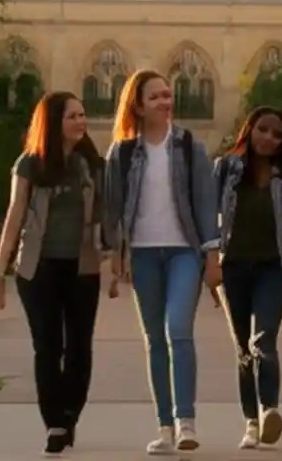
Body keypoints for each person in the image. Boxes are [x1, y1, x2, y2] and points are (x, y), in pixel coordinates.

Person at [104, 69, 221, 454]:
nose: (165, 102)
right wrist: (114, 256)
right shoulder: (122, 153)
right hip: (142, 253)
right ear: (137, 104)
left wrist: (213, 254)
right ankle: (165, 427)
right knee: (155, 340)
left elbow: (206, 203)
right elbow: (113, 209)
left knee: (178, 331)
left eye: (168, 95)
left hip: (183, 251)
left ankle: (187, 422)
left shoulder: (190, 147)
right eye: (155, 97)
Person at [0, 91, 108, 455]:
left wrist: (116, 262)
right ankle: (54, 422)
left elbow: (106, 216)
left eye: (82, 115)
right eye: (72, 116)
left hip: (82, 268)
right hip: (38, 268)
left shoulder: (91, 164)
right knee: (47, 346)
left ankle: (70, 412)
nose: (81, 122)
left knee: (78, 347)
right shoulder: (30, 164)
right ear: (53, 121)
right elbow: (14, 217)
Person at [213, 106, 282, 449]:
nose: (269, 138)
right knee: (242, 348)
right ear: (249, 130)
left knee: (263, 340)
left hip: (271, 268)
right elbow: (210, 215)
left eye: (277, 134)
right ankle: (250, 422)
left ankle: (269, 411)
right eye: (263, 130)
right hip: (232, 266)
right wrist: (208, 263)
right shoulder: (225, 169)